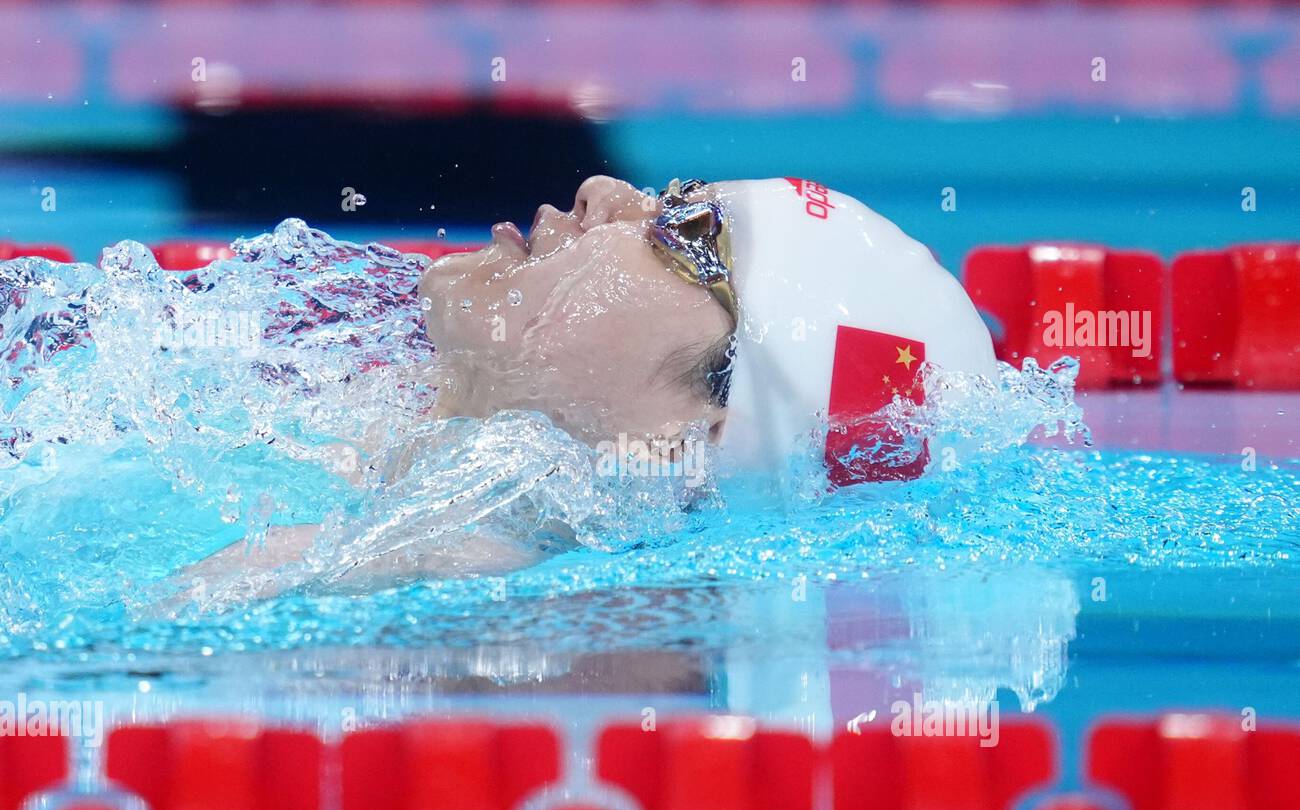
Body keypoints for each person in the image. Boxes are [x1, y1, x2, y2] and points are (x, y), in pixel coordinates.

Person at [177, 175, 996, 601]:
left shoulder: (424, 576)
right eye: (672, 199)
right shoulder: (318, 430)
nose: (602, 194)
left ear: (697, 440)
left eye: (686, 235)